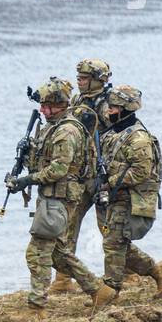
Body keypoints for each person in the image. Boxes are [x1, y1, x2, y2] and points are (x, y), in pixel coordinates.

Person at [4, 78, 104, 314]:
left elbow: (59, 169)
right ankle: (97, 290)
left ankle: (36, 306)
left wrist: (27, 181)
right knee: (59, 255)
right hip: (51, 196)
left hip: (60, 197)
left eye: (47, 105)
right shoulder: (51, 127)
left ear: (60, 105)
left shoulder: (66, 131)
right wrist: (26, 155)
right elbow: (43, 162)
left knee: (37, 253)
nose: (43, 109)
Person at [92, 86, 162, 308]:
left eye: (114, 107)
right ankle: (160, 274)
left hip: (129, 198)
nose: (109, 110)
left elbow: (141, 172)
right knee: (119, 244)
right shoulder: (112, 133)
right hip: (114, 197)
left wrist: (110, 182)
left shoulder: (138, 139)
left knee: (113, 244)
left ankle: (110, 290)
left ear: (125, 109)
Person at [51, 58, 114, 294]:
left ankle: (118, 274)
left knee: (109, 228)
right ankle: (63, 279)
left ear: (98, 79)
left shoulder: (110, 103)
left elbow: (117, 134)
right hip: (82, 173)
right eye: (79, 77)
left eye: (84, 78)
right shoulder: (79, 100)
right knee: (67, 225)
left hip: (102, 175)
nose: (79, 81)